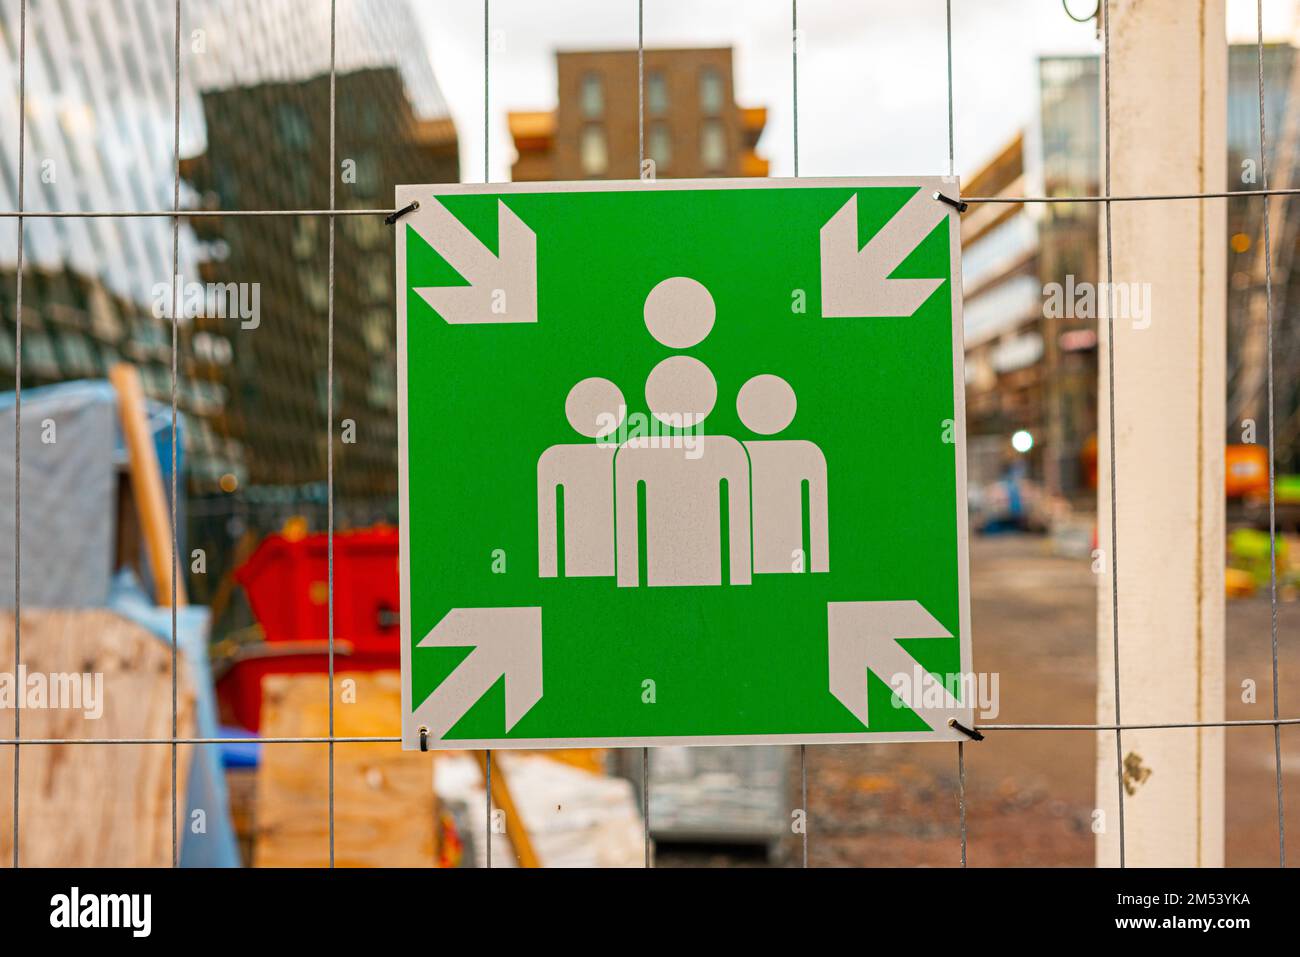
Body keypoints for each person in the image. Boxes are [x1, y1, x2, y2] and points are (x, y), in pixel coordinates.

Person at [736, 373, 829, 574]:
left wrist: (818, 562)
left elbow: (817, 513)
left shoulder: (806, 453)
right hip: (768, 558)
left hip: (789, 558)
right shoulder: (742, 455)